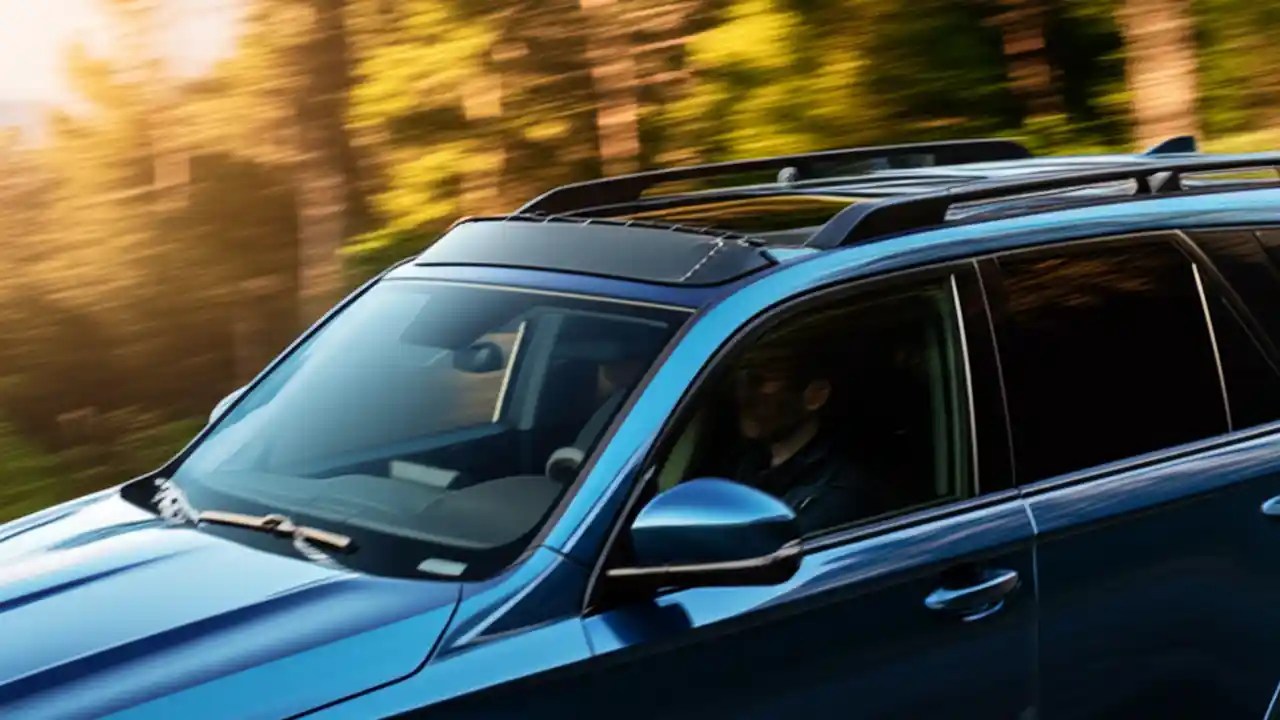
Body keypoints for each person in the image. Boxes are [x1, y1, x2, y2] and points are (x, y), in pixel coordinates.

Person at [729, 338, 883, 534]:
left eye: (759, 381)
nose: (744, 395)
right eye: (741, 380)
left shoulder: (834, 496)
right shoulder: (746, 464)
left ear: (815, 396)